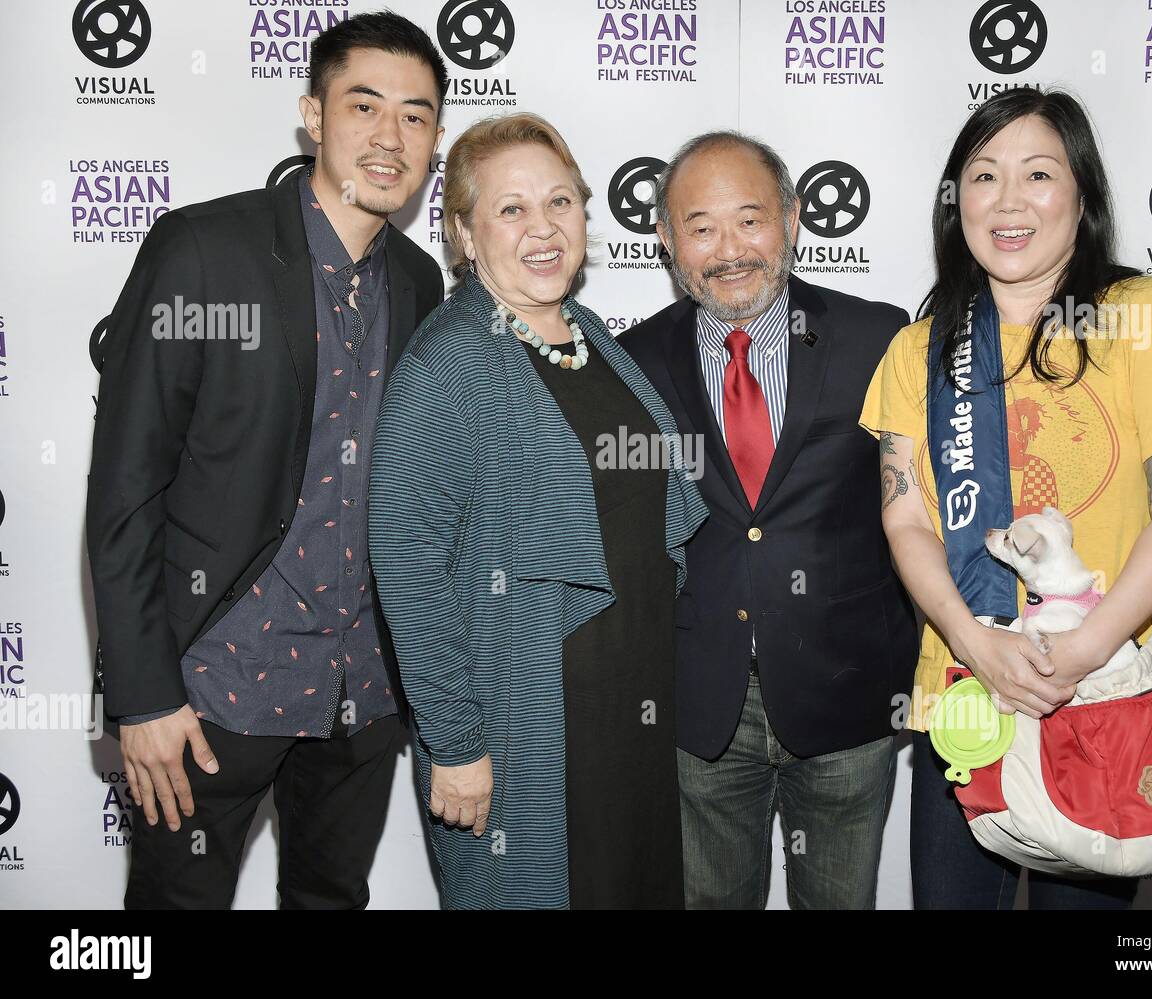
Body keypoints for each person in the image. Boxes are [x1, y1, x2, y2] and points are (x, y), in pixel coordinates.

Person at [86, 12, 449, 908]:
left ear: (435, 141)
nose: (389, 136)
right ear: (312, 116)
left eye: (415, 115)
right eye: (364, 106)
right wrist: (141, 698)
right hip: (209, 695)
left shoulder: (417, 280)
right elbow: (127, 487)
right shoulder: (204, 249)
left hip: (360, 695)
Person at [859, 87, 1152, 909]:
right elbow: (905, 514)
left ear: (1082, 195)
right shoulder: (919, 348)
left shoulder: (1146, 314)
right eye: (983, 176)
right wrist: (975, 644)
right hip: (963, 698)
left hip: (1104, 690)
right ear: (954, 198)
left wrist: (1078, 653)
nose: (1008, 201)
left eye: (1038, 174)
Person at [368, 112, 708, 910]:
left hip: (627, 704)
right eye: (511, 209)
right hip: (526, 714)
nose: (544, 227)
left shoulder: (587, 332)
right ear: (462, 232)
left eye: (561, 202)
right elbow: (406, 558)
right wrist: (454, 741)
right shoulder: (448, 360)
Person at [620, 132, 917, 909]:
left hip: (851, 692)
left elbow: (927, 510)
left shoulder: (879, 339)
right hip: (698, 702)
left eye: (750, 219)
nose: (728, 250)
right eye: (700, 225)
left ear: (791, 217)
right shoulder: (633, 362)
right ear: (665, 239)